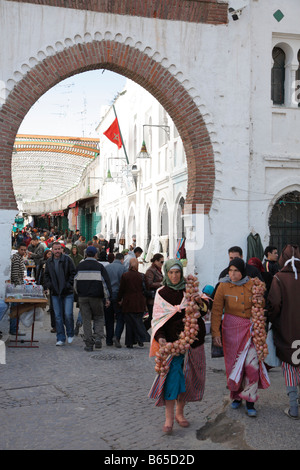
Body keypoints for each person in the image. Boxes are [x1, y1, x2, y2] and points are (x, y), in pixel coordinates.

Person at [149, 259, 208, 434]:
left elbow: (204, 310)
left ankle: (180, 414)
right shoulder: (161, 293)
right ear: (166, 274)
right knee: (172, 382)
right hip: (172, 346)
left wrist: (199, 302)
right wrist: (160, 338)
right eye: (171, 272)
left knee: (187, 380)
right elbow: (157, 319)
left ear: (181, 273)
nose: (174, 276)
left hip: (191, 343)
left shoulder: (189, 290)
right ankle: (168, 419)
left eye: (177, 272)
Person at [211, 257, 270, 417]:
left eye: (236, 270)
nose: (232, 273)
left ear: (242, 271)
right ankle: (236, 396)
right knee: (233, 366)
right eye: (230, 270)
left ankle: (250, 400)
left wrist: (260, 300)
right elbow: (216, 310)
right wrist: (215, 333)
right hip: (231, 331)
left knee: (252, 366)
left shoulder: (253, 284)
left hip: (251, 330)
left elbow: (261, 305)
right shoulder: (223, 286)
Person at [267, 244, 300, 419]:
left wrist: (272, 320)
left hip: (286, 330)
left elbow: (274, 305)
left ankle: (294, 406)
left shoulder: (278, 278)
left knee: (289, 365)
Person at [74, 246, 111, 352]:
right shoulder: (99, 267)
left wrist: (79, 294)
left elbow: (75, 282)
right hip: (96, 297)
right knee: (99, 316)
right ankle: (98, 338)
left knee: (86, 320)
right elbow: (104, 283)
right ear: (96, 255)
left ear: (86, 254)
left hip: (83, 297)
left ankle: (89, 344)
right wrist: (107, 297)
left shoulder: (80, 266)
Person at [44, 241, 76, 346]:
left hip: (67, 292)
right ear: (52, 250)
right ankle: (60, 337)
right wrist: (50, 285)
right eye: (55, 249)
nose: (57, 251)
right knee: (57, 316)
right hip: (55, 292)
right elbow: (46, 275)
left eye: (59, 249)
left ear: (62, 249)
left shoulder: (67, 260)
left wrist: (68, 285)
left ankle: (70, 333)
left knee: (68, 314)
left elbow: (73, 273)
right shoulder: (49, 262)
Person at [117, 258, 148, 348]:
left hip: (128, 302)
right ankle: (140, 339)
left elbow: (121, 289)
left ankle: (130, 342)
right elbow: (146, 288)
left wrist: (119, 299)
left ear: (129, 265)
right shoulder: (142, 276)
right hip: (139, 302)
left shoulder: (125, 276)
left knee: (130, 323)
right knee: (138, 321)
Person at [104, 252, 127, 347]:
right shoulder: (123, 268)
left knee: (108, 319)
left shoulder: (107, 268)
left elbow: (104, 282)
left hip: (108, 296)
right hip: (118, 296)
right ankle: (116, 336)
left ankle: (109, 340)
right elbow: (125, 285)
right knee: (120, 317)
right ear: (122, 259)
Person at [36, 249, 56, 333]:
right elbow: (39, 273)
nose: (49, 255)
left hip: (52, 285)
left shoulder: (54, 261)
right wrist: (38, 282)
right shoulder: (42, 261)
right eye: (48, 253)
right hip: (44, 282)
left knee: (52, 303)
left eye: (51, 253)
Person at [9, 243, 27, 335]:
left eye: (25, 250)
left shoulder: (19, 258)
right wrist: (19, 287)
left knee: (16, 309)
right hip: (16, 288)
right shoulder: (16, 259)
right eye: (22, 250)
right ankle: (14, 329)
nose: (23, 252)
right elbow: (15, 275)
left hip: (17, 287)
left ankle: (14, 328)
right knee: (16, 309)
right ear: (18, 249)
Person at [144, 253, 164, 331]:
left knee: (154, 317)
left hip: (157, 298)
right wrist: (161, 284)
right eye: (161, 262)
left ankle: (141, 332)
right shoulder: (150, 270)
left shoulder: (157, 270)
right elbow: (149, 283)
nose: (162, 264)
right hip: (152, 298)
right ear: (156, 261)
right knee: (152, 318)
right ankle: (141, 332)